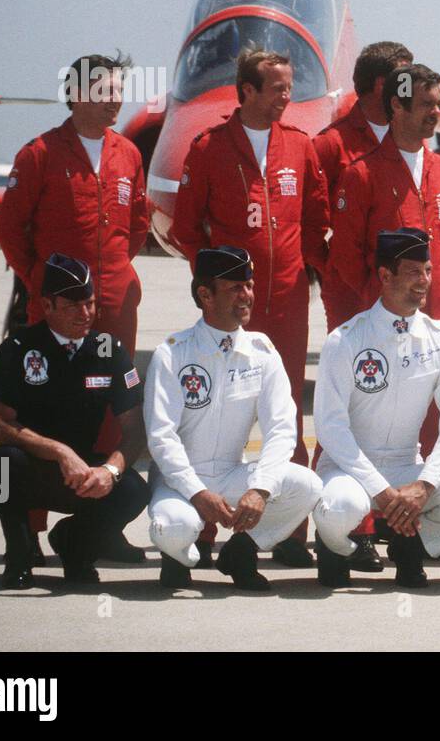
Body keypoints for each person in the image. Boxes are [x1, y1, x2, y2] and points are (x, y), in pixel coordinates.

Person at [171, 47, 329, 566]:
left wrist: (307, 271)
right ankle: (200, 531)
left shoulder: (300, 147)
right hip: (228, 310)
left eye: (290, 87)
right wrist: (216, 286)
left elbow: (315, 218)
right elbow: (187, 228)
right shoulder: (210, 148)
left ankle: (288, 533)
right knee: (213, 415)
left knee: (286, 415)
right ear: (248, 92)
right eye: (279, 89)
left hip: (284, 301)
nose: (288, 97)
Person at [0, 53, 150, 563]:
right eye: (105, 91)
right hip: (57, 313)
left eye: (118, 91)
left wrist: (115, 278)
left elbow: (139, 224)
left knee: (113, 415)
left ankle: (97, 529)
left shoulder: (127, 153)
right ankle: (30, 531)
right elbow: (10, 230)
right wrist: (42, 289)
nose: (115, 101)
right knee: (45, 411)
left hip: (114, 305)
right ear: (78, 93)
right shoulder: (40, 154)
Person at [312, 229, 440, 588]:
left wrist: (425, 485)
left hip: (406, 467)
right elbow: (331, 427)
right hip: (348, 472)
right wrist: (381, 491)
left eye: (428, 270)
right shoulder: (346, 339)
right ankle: (338, 546)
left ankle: (407, 543)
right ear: (385, 276)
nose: (424, 281)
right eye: (413, 271)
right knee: (339, 509)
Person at [144, 246, 323, 590]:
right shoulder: (173, 353)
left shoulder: (261, 351)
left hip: (230, 472)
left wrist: (259, 489)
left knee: (308, 485)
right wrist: (197, 493)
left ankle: (241, 551)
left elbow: (283, 430)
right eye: (235, 288)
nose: (247, 296)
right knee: (174, 527)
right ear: (204, 295)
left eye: (249, 286)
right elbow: (161, 438)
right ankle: (178, 556)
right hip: (178, 479)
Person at [0, 254, 149, 589]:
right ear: (47, 304)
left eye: (90, 303)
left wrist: (109, 471)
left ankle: (76, 545)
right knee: (0, 465)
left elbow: (134, 430)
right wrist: (59, 452)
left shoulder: (108, 351)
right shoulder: (19, 348)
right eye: (72, 305)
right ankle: (19, 550)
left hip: (84, 476)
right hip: (33, 469)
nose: (85, 314)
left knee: (133, 489)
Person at [313, 41, 413, 331]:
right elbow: (308, 218)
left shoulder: (410, 141)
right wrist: (332, 267)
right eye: (405, 81)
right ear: (382, 85)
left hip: (406, 287)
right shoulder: (330, 145)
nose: (412, 88)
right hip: (351, 292)